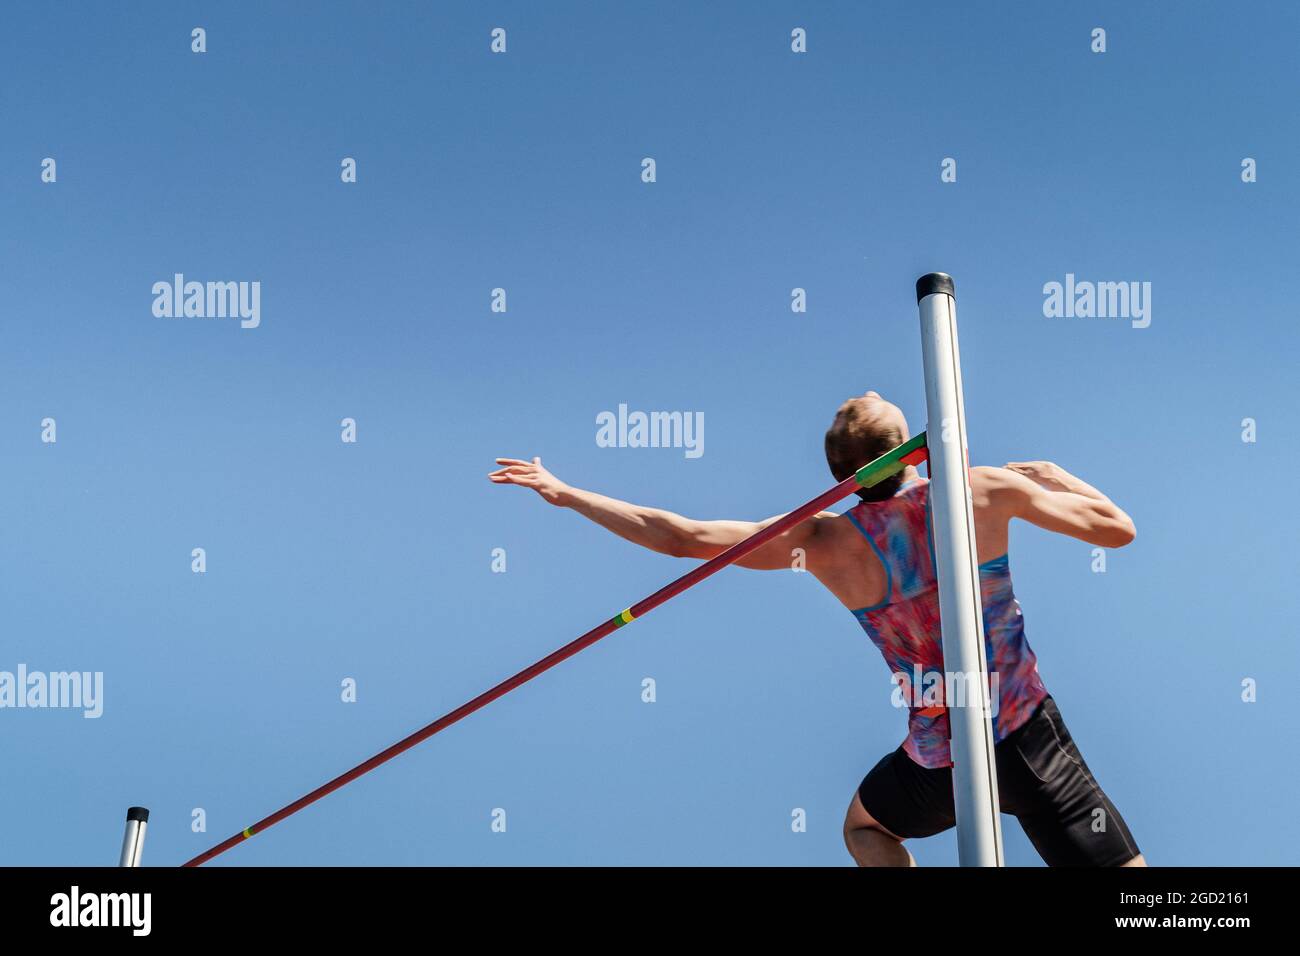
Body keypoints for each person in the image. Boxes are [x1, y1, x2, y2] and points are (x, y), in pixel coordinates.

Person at [489, 390, 1144, 867]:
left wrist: (566, 491)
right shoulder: (982, 491)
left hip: (937, 763)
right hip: (1026, 736)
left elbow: (680, 539)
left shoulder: (825, 542)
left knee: (864, 830)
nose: (856, 392)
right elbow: (1117, 528)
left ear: (846, 475)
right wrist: (1057, 478)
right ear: (905, 447)